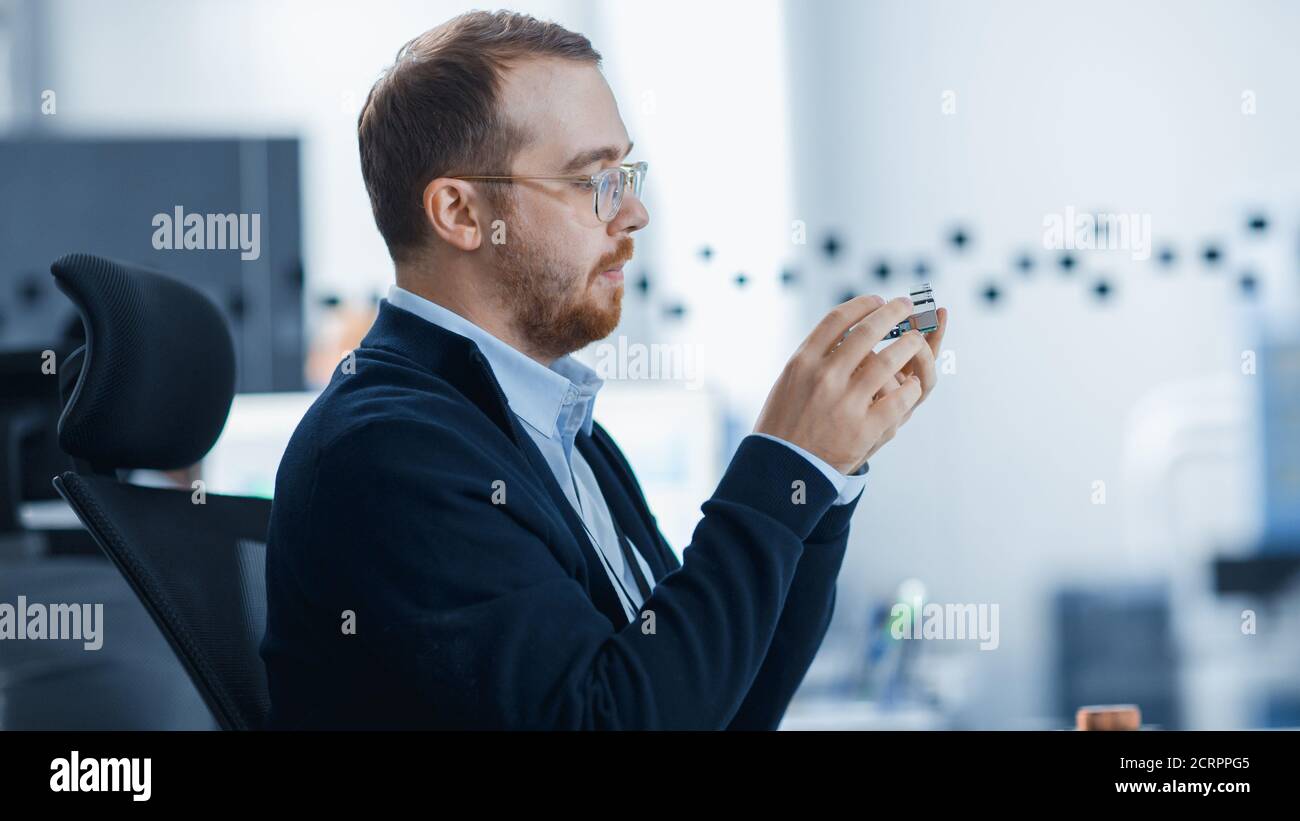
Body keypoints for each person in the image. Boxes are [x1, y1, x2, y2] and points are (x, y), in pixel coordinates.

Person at [260, 9, 948, 729]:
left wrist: (821, 478)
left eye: (625, 174)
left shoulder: (562, 436)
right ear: (461, 212)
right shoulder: (388, 454)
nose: (634, 213)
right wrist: (783, 464)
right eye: (594, 181)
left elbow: (727, 708)